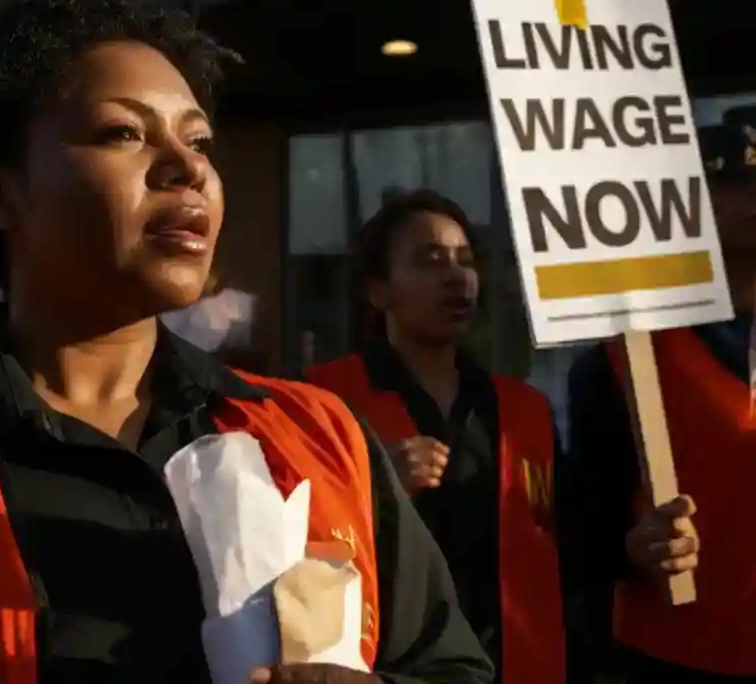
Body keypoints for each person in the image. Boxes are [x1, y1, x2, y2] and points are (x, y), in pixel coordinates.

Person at [0, 0, 493, 683]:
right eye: (124, 133)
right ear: (1, 195)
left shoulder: (322, 436)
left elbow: (451, 667)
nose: (188, 167)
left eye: (199, 140)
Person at [304, 190, 568, 684]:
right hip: (386, 669)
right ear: (378, 291)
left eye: (465, 261)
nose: (455, 276)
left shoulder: (524, 410)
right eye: (429, 261)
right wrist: (379, 493)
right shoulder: (323, 400)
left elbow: (570, 546)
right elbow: (290, 547)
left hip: (518, 666)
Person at [567, 119, 756, 682]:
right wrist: (633, 548)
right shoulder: (626, 357)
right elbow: (582, 528)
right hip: (673, 656)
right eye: (734, 182)